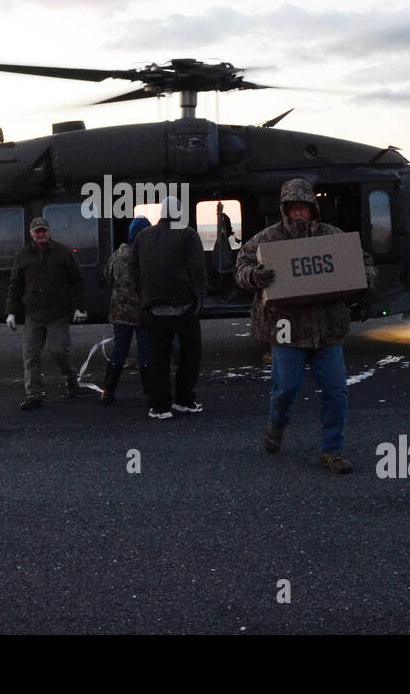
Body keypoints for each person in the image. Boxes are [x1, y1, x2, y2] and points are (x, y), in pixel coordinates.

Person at [234, 178, 377, 473]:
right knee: (286, 388)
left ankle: (333, 451)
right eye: (293, 208)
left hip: (327, 328)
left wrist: (365, 277)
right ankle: (276, 425)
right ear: (285, 210)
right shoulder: (267, 239)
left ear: (313, 209)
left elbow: (363, 262)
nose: (299, 213)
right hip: (286, 327)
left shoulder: (332, 236)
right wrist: (254, 277)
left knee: (336, 391)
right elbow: (241, 267)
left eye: (304, 208)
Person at [130, 196, 206, 421]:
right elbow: (197, 268)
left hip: (154, 310)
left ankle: (160, 406)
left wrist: (143, 296)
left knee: (158, 359)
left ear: (161, 213)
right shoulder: (188, 234)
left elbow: (134, 270)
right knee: (190, 355)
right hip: (184, 308)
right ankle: (184, 400)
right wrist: (200, 295)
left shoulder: (143, 236)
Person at [6, 217, 87, 410]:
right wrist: (11, 312)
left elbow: (78, 281)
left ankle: (71, 378)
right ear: (31, 234)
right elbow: (15, 285)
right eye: (37, 232)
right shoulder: (22, 255)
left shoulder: (63, 252)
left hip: (58, 313)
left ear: (48, 232)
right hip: (33, 314)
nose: (41, 234)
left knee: (58, 351)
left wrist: (80, 306)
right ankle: (34, 394)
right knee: (30, 355)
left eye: (43, 231)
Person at [99, 216, 153, 405]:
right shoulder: (147, 256)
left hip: (120, 314)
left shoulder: (116, 255)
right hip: (142, 313)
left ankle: (108, 391)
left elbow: (107, 279)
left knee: (119, 351)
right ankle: (148, 393)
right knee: (146, 351)